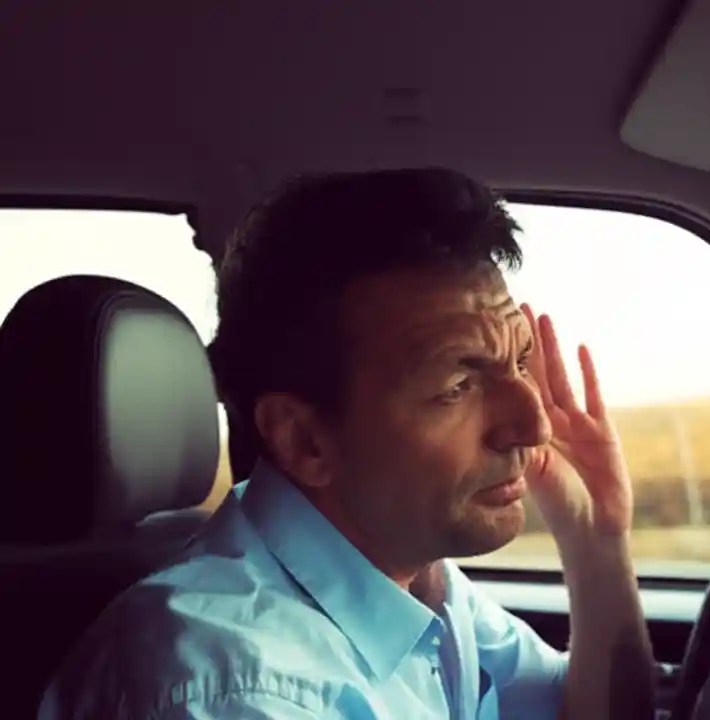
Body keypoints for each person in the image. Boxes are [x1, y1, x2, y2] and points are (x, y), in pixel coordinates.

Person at [39, 168, 655, 719]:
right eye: (457, 386)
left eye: (520, 361)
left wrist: (596, 540)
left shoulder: (412, 577)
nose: (534, 426)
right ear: (306, 441)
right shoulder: (235, 690)